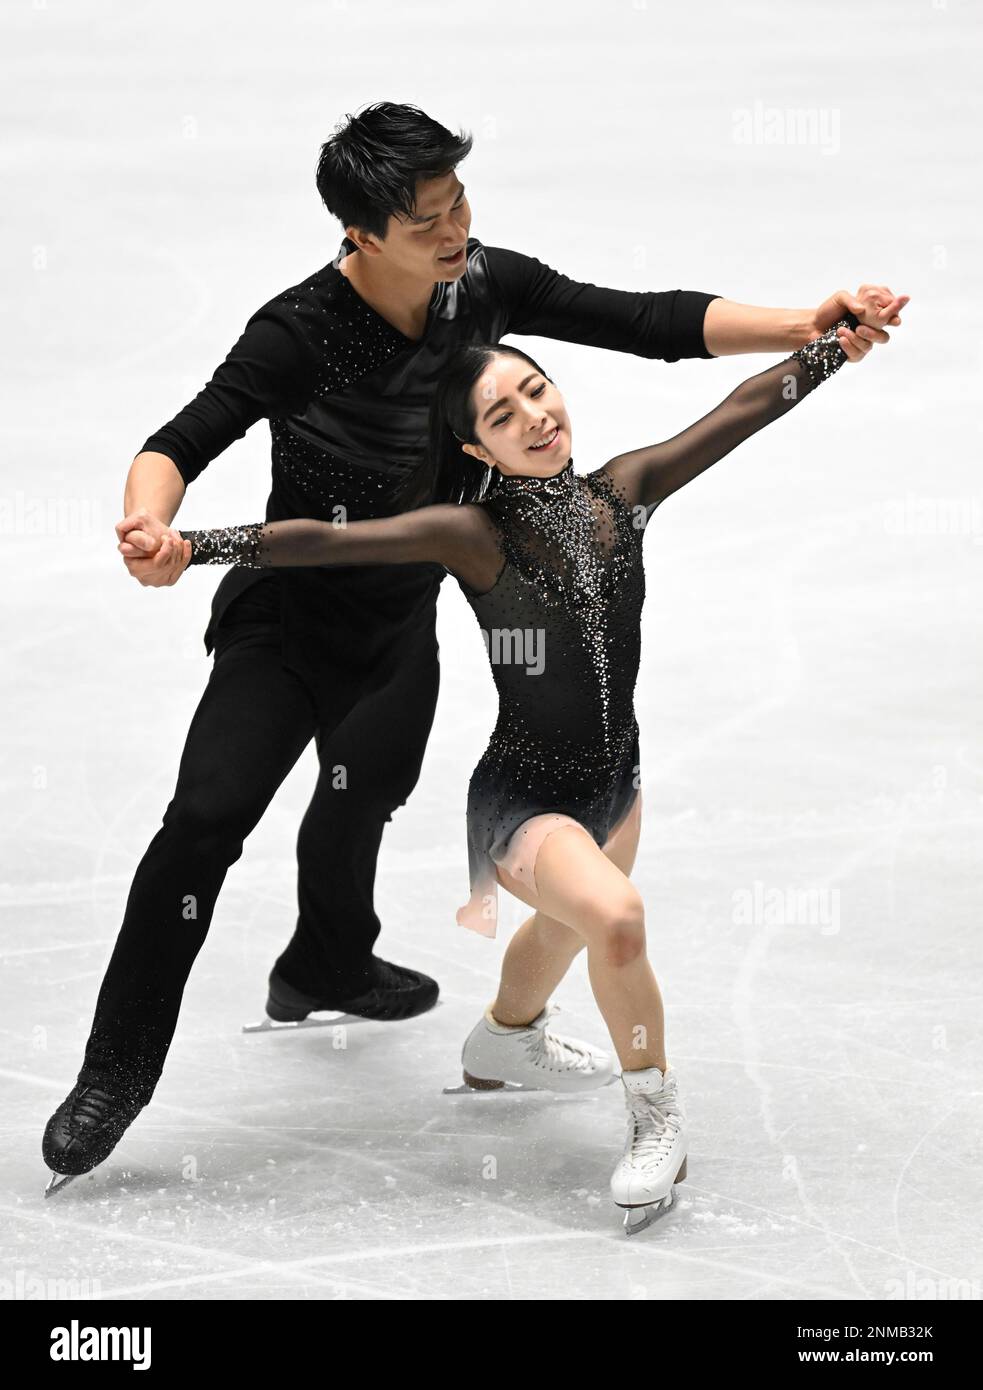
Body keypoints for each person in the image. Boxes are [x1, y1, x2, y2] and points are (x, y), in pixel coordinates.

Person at [41, 97, 905, 1195]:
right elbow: (177, 440)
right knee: (206, 817)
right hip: (291, 619)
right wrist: (153, 525)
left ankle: (326, 957)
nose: (453, 233)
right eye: (425, 221)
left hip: (406, 612)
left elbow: (644, 318)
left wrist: (806, 323)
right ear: (360, 233)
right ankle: (115, 1069)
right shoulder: (295, 331)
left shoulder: (482, 283)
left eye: (458, 203)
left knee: (368, 787)